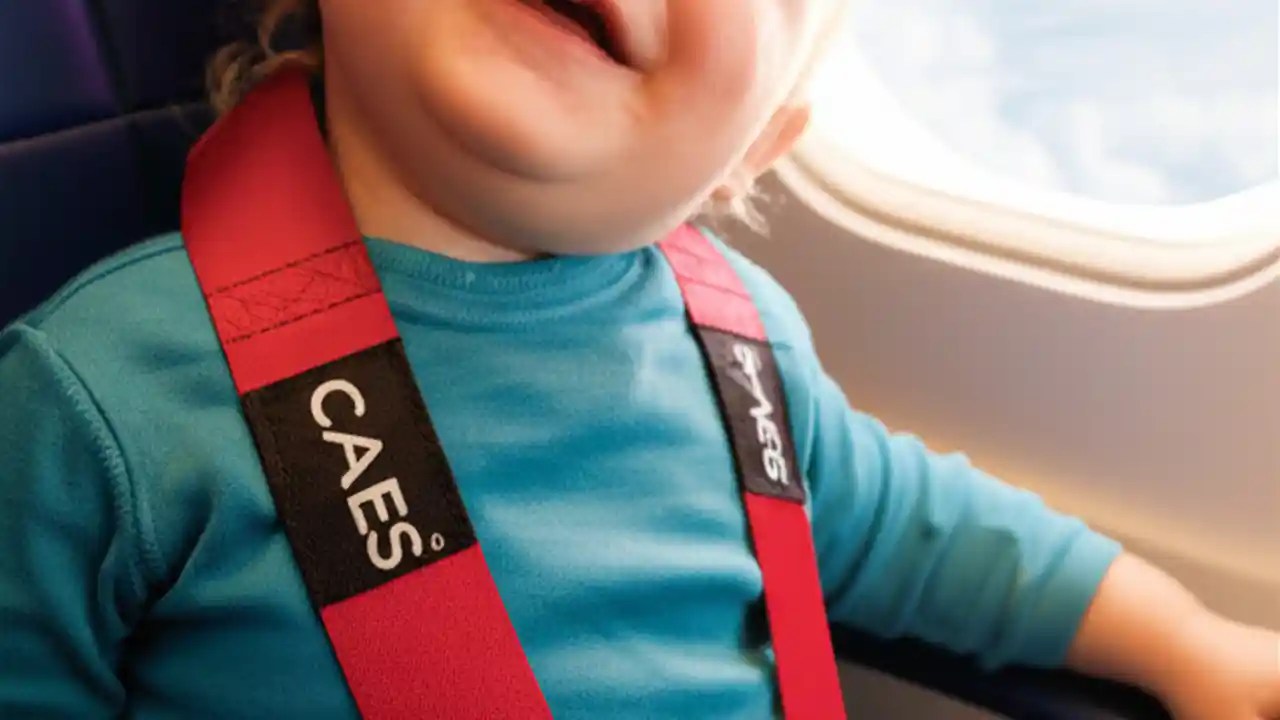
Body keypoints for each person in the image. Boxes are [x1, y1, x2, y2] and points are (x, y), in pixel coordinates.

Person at [1, 1, 1276, 718]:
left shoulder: (740, 350)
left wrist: (1187, 646)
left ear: (752, 152)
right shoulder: (96, 405)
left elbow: (919, 529)